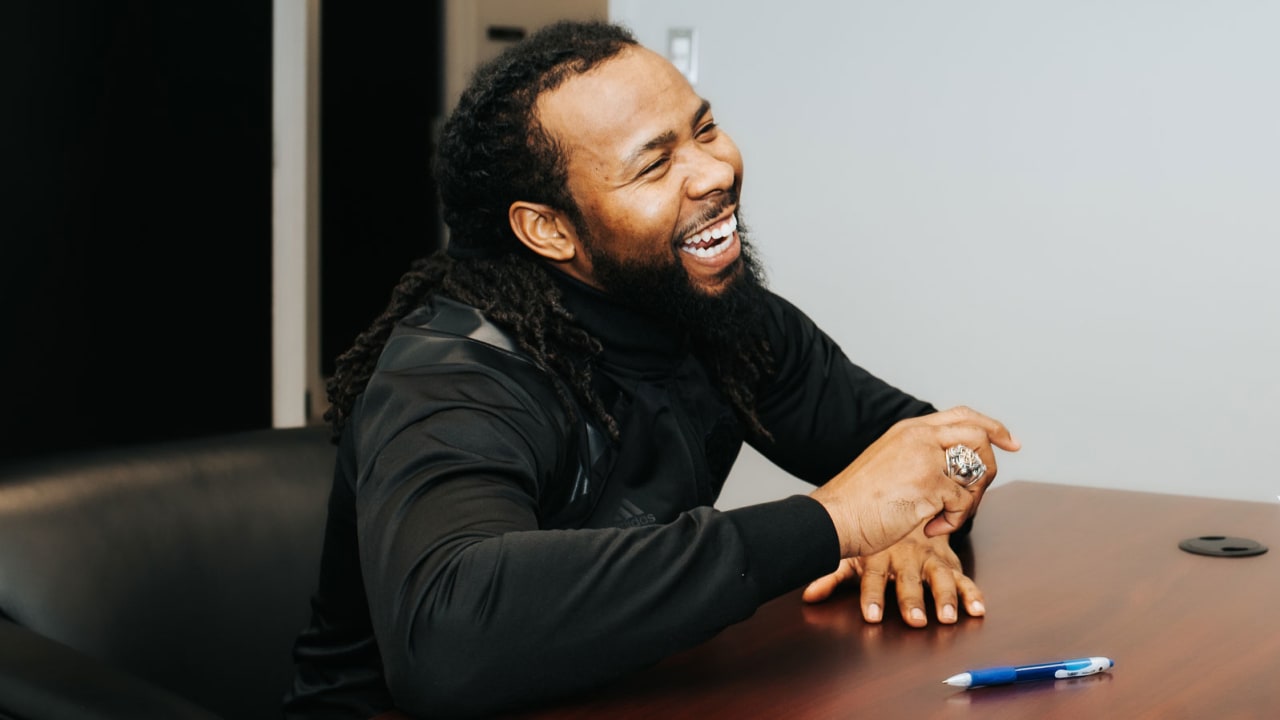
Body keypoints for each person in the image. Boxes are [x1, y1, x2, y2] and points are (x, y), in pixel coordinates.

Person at [283, 19, 1019, 720]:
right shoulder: (453, 376)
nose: (715, 172)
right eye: (656, 163)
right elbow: (447, 637)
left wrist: (918, 523)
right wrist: (835, 523)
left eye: (703, 128)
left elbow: (916, 446)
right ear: (549, 228)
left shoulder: (716, 315)